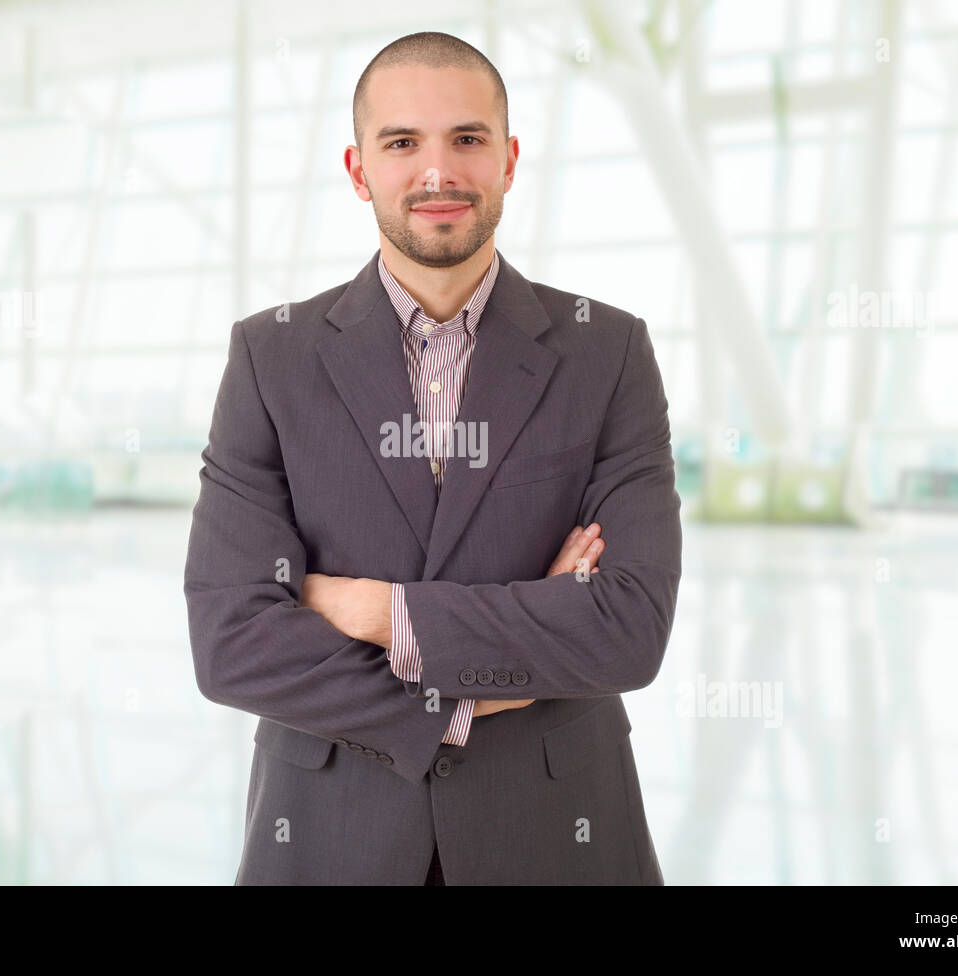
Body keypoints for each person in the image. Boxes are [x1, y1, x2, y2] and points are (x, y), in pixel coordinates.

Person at [184, 30, 682, 884]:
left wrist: (380, 613)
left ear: (510, 160)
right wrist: (470, 696)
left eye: (468, 139)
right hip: (330, 837)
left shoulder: (610, 353)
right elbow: (231, 640)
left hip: (557, 833)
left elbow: (627, 629)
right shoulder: (273, 358)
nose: (438, 172)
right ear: (358, 168)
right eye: (403, 142)